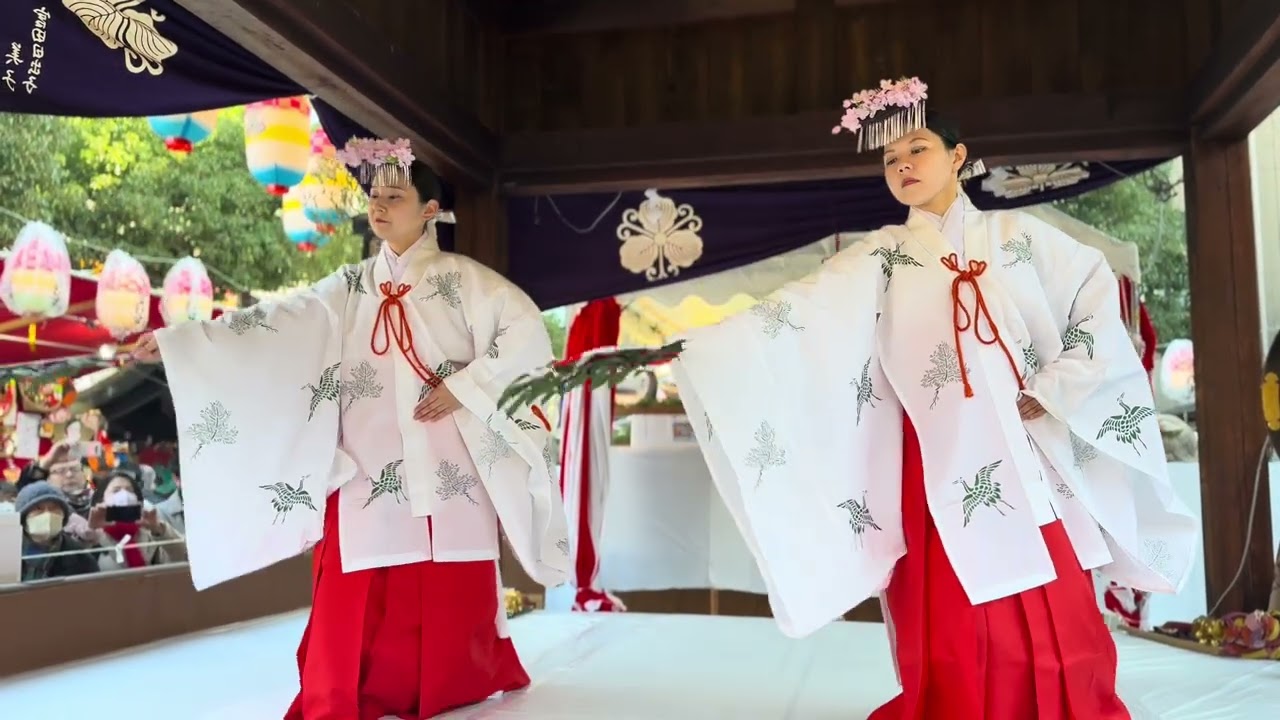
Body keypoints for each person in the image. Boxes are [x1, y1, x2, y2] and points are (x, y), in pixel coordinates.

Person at [662, 79, 1197, 718]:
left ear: (958, 155)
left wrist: (1057, 387)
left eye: (917, 149)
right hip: (937, 463)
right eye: (890, 160)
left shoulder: (1018, 238)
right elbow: (799, 313)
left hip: (1028, 452)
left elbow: (1094, 296)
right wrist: (705, 347)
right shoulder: (882, 259)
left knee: (1060, 605)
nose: (904, 166)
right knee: (952, 612)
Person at [131, 136, 570, 720]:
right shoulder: (346, 288)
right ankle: (343, 693)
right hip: (366, 463)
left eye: (396, 195)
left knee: (448, 577)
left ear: (431, 210)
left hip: (447, 461)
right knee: (353, 577)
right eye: (375, 195)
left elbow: (525, 339)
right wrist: (177, 343)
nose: (380, 206)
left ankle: (452, 682)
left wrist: (465, 387)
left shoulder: (467, 282)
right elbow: (273, 323)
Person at [15, 481, 99, 581]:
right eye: (38, 509)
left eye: (54, 508)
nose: (47, 514)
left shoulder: (81, 558)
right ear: (23, 518)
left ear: (64, 516)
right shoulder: (6, 550)